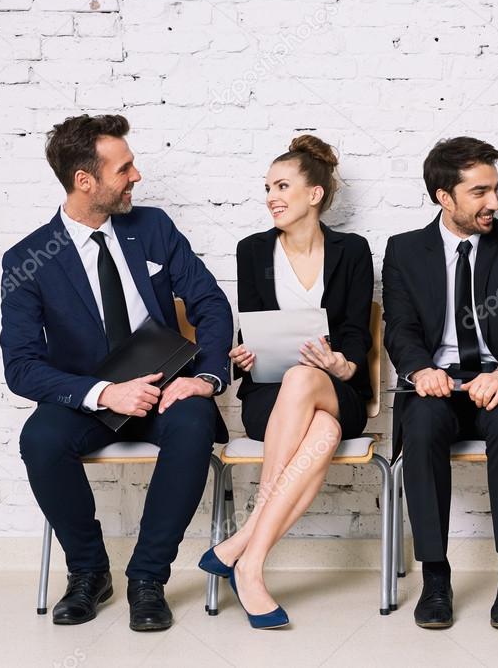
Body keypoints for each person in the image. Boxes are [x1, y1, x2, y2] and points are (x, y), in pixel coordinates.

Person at [1, 114, 233, 631]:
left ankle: (147, 578)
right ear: (85, 181)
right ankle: (88, 572)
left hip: (167, 386)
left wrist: (207, 378)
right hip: (90, 397)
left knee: (194, 423)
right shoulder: (28, 260)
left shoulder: (152, 228)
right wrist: (107, 393)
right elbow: (20, 367)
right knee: (40, 439)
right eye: (124, 167)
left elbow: (210, 304)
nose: (137, 176)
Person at [382, 137, 498, 631]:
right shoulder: (404, 250)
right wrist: (421, 371)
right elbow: (398, 327)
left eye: (497, 189)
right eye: (480, 192)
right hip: (435, 380)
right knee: (420, 429)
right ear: (445, 196)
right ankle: (435, 577)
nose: (495, 203)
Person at [197, 135, 374, 629]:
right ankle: (250, 564)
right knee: (323, 433)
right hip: (268, 397)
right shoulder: (252, 250)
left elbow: (357, 332)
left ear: (314, 194)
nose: (271, 196)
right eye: (267, 187)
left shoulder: (352, 250)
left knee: (307, 378)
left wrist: (341, 366)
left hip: (338, 391)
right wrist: (242, 354)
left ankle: (245, 538)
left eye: (282, 186)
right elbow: (249, 327)